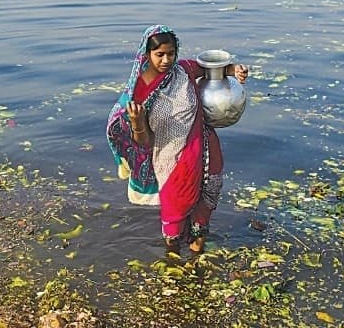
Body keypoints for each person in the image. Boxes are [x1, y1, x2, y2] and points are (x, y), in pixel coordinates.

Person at [106, 25, 248, 256]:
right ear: (147, 54)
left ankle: (196, 253)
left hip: (205, 149)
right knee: (174, 219)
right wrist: (137, 123)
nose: (165, 60)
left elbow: (209, 68)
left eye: (170, 53)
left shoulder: (183, 71)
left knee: (205, 205)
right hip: (171, 160)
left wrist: (234, 70)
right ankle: (173, 262)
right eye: (159, 54)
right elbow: (144, 142)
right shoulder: (139, 93)